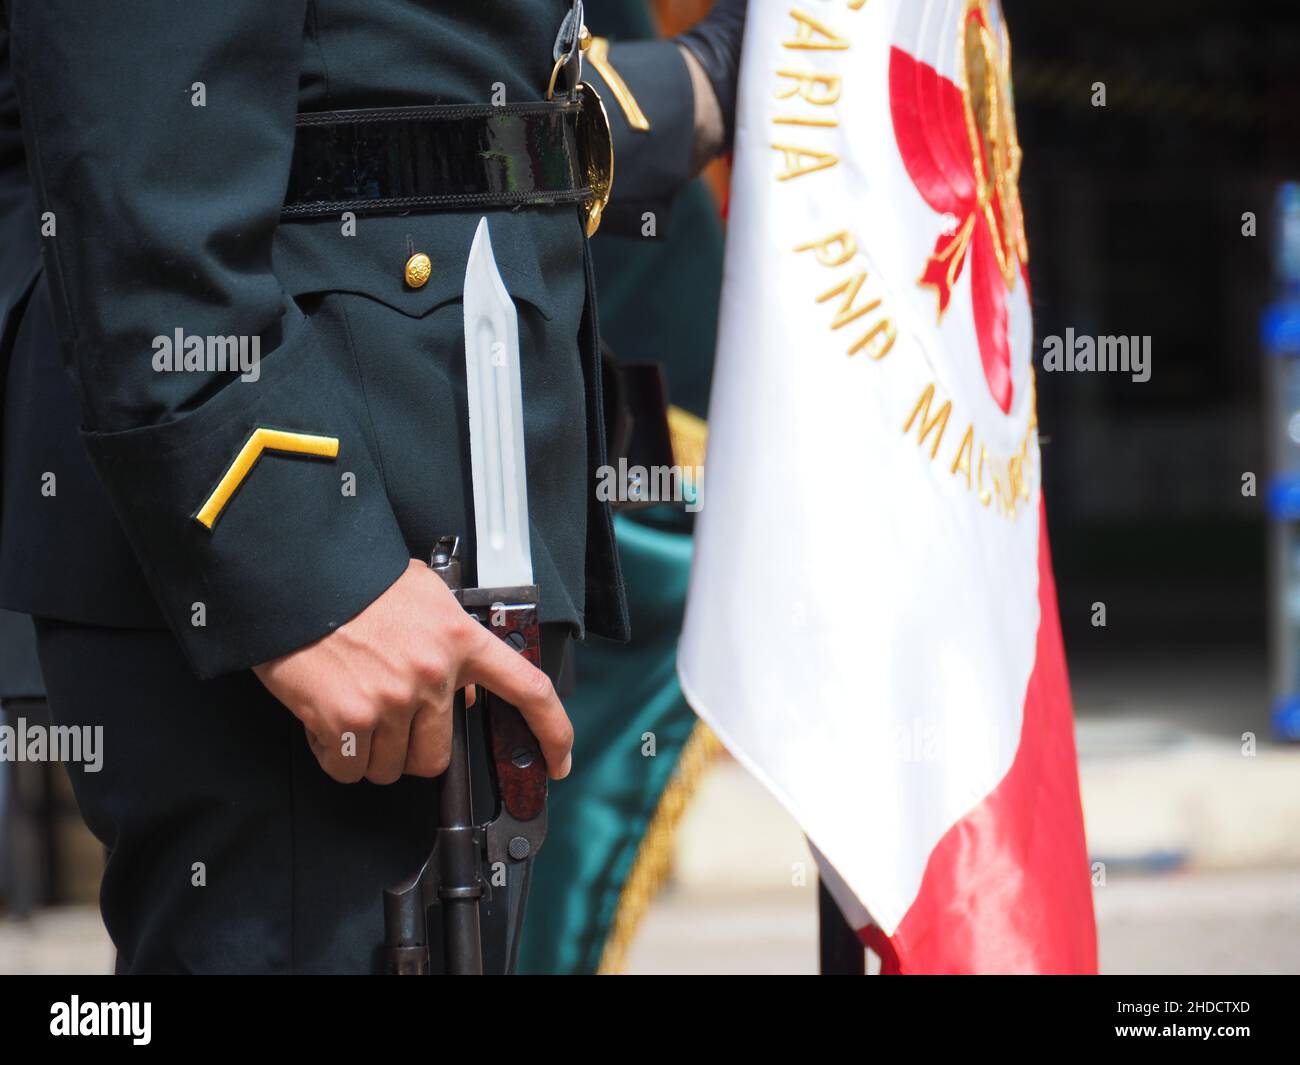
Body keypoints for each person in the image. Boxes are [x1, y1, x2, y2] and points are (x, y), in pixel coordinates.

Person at [0, 0, 742, 973]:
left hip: (438, 518)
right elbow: (140, 134)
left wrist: (716, 74)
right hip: (332, 543)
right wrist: (299, 563)